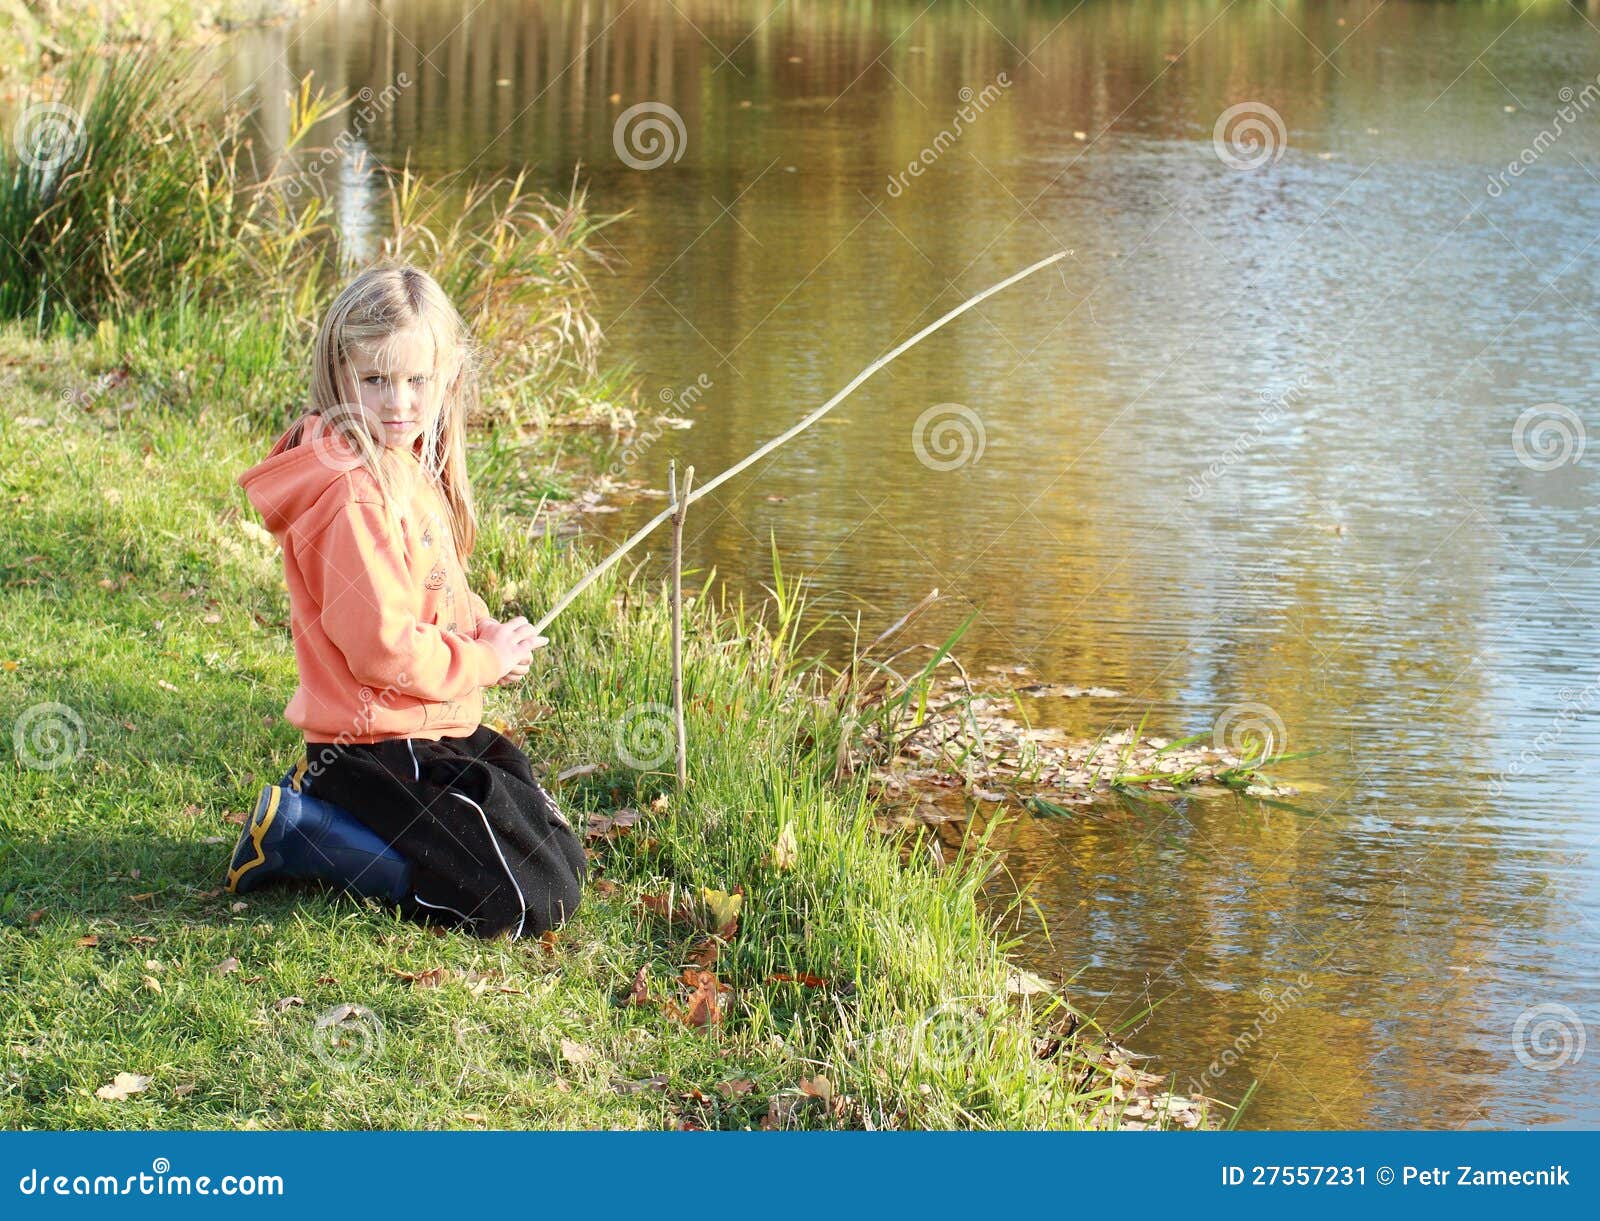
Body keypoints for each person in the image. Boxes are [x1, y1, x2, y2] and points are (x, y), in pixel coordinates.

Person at [224, 262, 585, 940]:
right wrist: (477, 661)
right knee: (525, 899)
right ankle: (311, 834)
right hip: (376, 743)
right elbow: (382, 647)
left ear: (444, 375)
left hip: (428, 724)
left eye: (418, 380)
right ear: (340, 372)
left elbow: (437, 581)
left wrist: (482, 628)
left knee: (560, 857)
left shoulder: (405, 459)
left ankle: (340, 818)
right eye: (376, 380)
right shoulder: (353, 495)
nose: (400, 403)